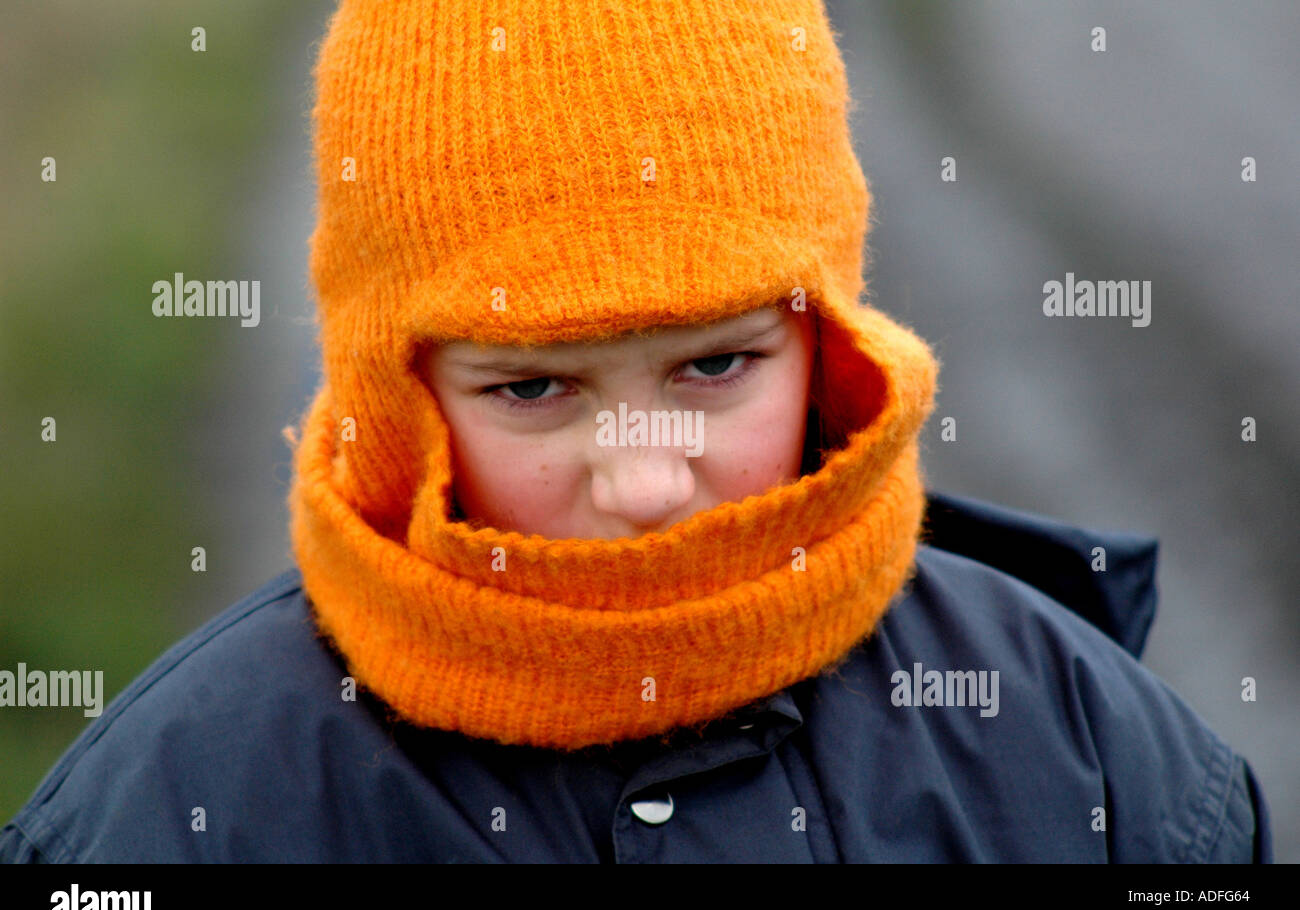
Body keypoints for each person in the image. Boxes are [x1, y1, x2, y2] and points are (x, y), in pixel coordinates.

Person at [0, 0, 1270, 863]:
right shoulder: (172, 815)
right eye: (535, 390)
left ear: (826, 343)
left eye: (716, 363)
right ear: (402, 396)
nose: (649, 482)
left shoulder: (1097, 758)